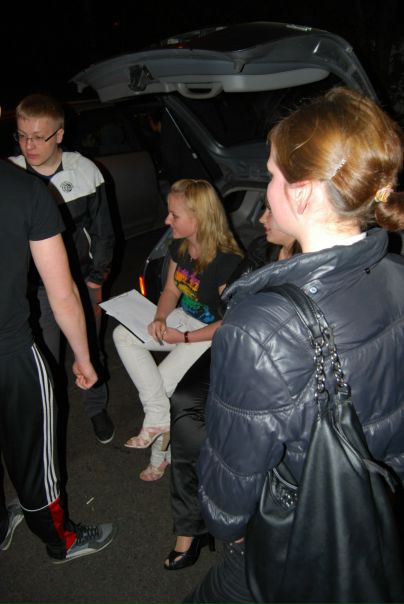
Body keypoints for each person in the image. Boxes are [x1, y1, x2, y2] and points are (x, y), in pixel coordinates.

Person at [183, 86, 404, 603]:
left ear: (301, 194)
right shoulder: (396, 272)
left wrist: (231, 530)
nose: (268, 189)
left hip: (292, 537)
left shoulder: (260, 327)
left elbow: (231, 485)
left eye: (272, 175)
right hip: (377, 513)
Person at [165, 208, 300, 570]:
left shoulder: (314, 256)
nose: (262, 217)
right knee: (184, 402)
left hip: (282, 362)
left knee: (244, 426)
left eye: (271, 210)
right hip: (240, 343)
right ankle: (190, 526)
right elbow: (232, 306)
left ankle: (251, 528)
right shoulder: (261, 248)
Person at [0, 147, 116, 562]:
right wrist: (84, 357)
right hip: (10, 351)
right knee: (35, 456)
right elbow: (63, 292)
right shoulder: (23, 189)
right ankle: (60, 540)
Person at [112, 179, 243, 481]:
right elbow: (171, 290)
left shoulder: (227, 261)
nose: (166, 220)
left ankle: (161, 456)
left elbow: (230, 322)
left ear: (199, 217)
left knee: (162, 382)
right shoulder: (180, 247)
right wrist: (160, 318)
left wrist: (184, 337)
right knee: (122, 334)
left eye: (174, 215)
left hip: (209, 335)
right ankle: (159, 418)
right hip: (183, 320)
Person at [9, 94, 116, 444]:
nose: (29, 145)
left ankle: (96, 407)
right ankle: (51, 416)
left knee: (89, 348)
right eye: (22, 136)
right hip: (37, 289)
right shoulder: (11, 174)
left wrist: (96, 278)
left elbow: (104, 231)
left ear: (59, 135)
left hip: (82, 281)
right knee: (45, 356)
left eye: (39, 137)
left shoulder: (83, 170)